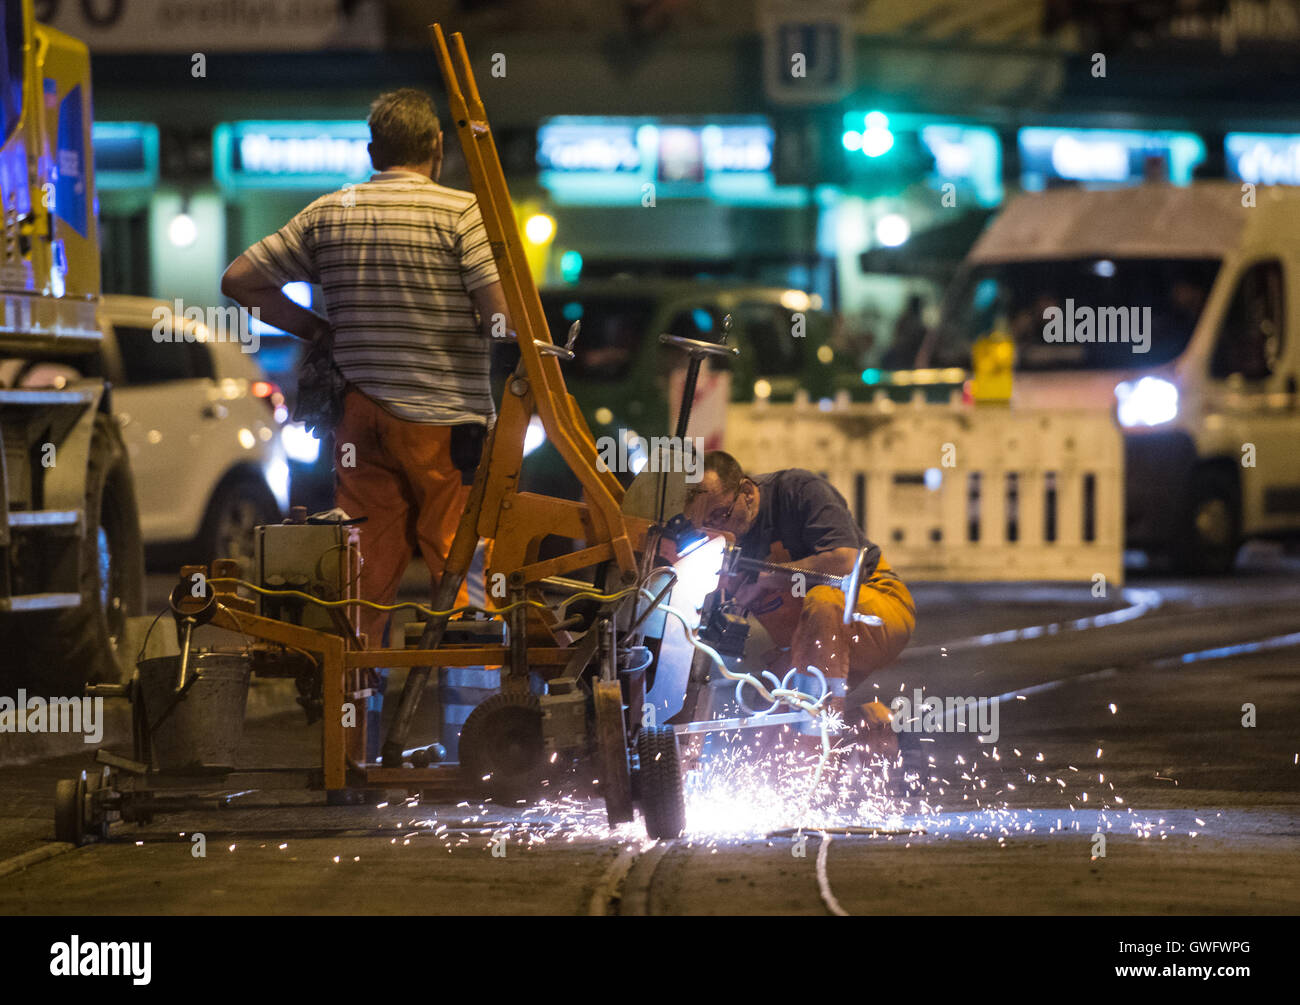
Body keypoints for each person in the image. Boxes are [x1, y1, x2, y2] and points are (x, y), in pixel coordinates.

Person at [221, 88, 509, 648]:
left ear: (374, 150)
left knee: (364, 570)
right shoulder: (463, 214)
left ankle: (355, 705)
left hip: (358, 418)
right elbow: (502, 319)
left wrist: (316, 328)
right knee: (462, 557)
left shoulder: (329, 212)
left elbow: (238, 280)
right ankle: (473, 709)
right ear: (436, 147)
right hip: (445, 422)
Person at [683, 451, 915, 756]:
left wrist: (769, 578)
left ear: (748, 493)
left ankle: (815, 742)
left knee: (824, 599)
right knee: (768, 744)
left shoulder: (798, 491)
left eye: (720, 515)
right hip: (807, 645)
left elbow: (845, 564)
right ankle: (874, 728)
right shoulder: (718, 539)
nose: (717, 530)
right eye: (704, 524)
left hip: (874, 608)